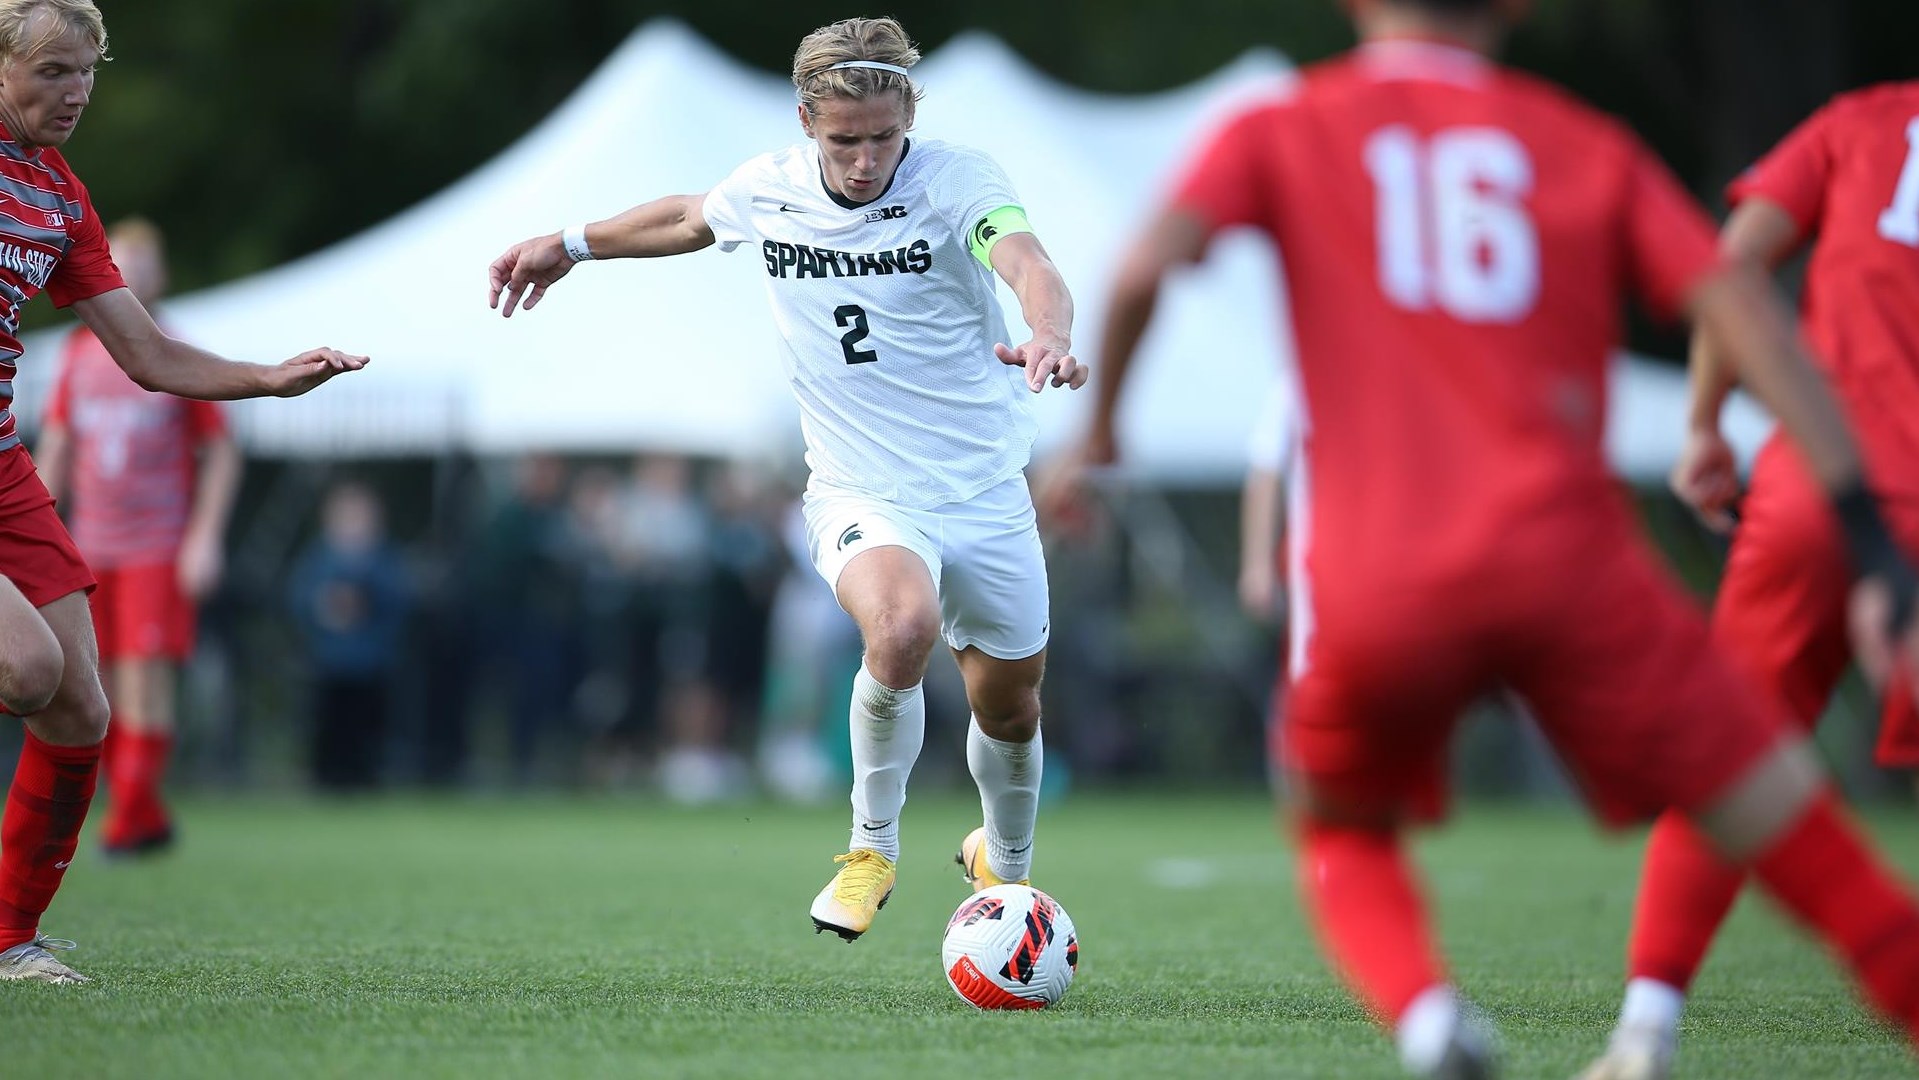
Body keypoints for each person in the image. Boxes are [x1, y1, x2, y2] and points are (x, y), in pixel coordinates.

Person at [1049, 0, 1919, 1074]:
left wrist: (1098, 432)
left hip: (1379, 577)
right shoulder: (1581, 142)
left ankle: (1427, 1019)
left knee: (1341, 828)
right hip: (1573, 568)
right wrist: (1868, 540)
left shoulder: (1280, 124)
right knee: (1787, 827)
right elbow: (1738, 300)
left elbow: (1141, 268)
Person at [489, 16, 1084, 942]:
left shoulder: (956, 180)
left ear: (908, 118)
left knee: (1010, 707)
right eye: (845, 140)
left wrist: (1048, 331)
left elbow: (1027, 261)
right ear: (807, 121)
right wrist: (568, 243)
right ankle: (869, 852)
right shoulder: (770, 188)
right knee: (901, 626)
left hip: (982, 487)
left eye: (883, 136)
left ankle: (1004, 873)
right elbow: (688, 217)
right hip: (861, 488)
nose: (865, 160)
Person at [0, 0, 365, 985]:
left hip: (5, 468)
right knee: (27, 669)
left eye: (87, 72)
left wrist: (270, 378)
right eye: (51, 72)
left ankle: (9, 941)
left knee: (80, 710)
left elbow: (148, 354)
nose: (75, 92)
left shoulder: (59, 195)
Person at [1590, 79, 1919, 1077]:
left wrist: (1703, 424)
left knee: (1727, 758)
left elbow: (1728, 262)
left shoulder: (1862, 121)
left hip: (1823, 479)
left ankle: (1644, 1028)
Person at [33, 217, 240, 857]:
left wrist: (204, 537)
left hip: (156, 545)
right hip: (91, 546)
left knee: (145, 677)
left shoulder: (176, 354)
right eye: (121, 266)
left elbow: (221, 451)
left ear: (162, 277)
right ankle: (143, 812)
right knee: (100, 680)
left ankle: (128, 815)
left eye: (143, 267)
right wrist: (33, 533)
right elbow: (56, 451)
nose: (131, 278)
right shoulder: (76, 356)